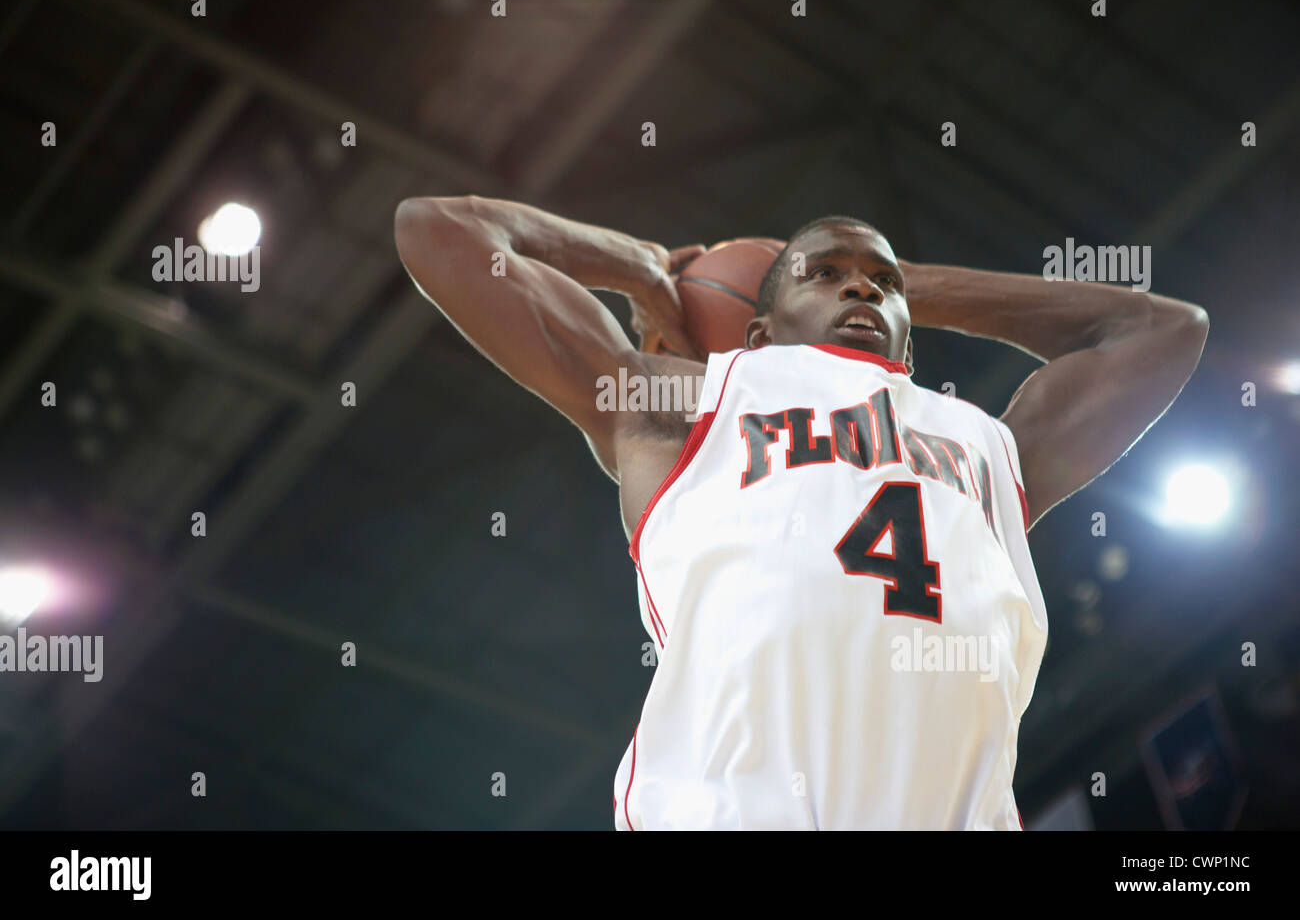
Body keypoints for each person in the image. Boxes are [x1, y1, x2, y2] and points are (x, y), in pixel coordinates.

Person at [394, 196, 1209, 829]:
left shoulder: (993, 445)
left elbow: (1165, 330)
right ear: (755, 332)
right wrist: (637, 263)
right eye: (823, 274)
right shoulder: (689, 402)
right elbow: (439, 232)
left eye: (881, 283)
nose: (861, 285)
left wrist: (903, 281)